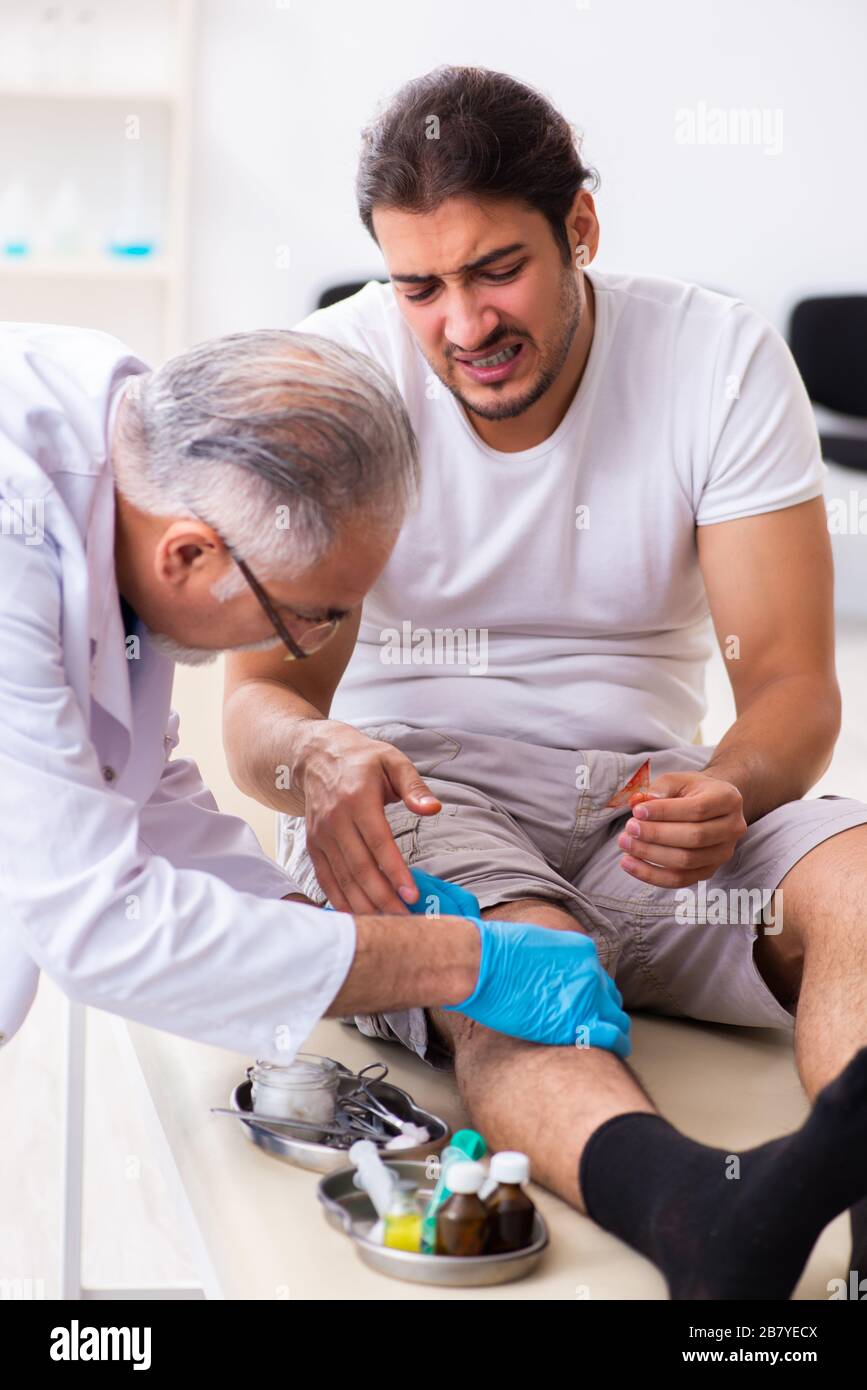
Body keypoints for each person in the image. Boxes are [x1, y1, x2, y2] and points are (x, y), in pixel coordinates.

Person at [223, 67, 867, 1298]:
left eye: (495, 270)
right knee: (513, 961)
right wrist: (321, 759)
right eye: (421, 285)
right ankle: (691, 1217)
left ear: (580, 226)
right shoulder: (337, 378)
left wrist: (729, 785)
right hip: (418, 791)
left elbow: (790, 684)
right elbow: (261, 700)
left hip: (657, 806)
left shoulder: (716, 356)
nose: (463, 325)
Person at [0, 321, 628, 1063]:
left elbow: (113, 773)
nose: (302, 651)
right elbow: (102, 927)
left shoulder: (140, 453)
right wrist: (459, 961)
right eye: (304, 618)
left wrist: (306, 919)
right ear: (191, 554)